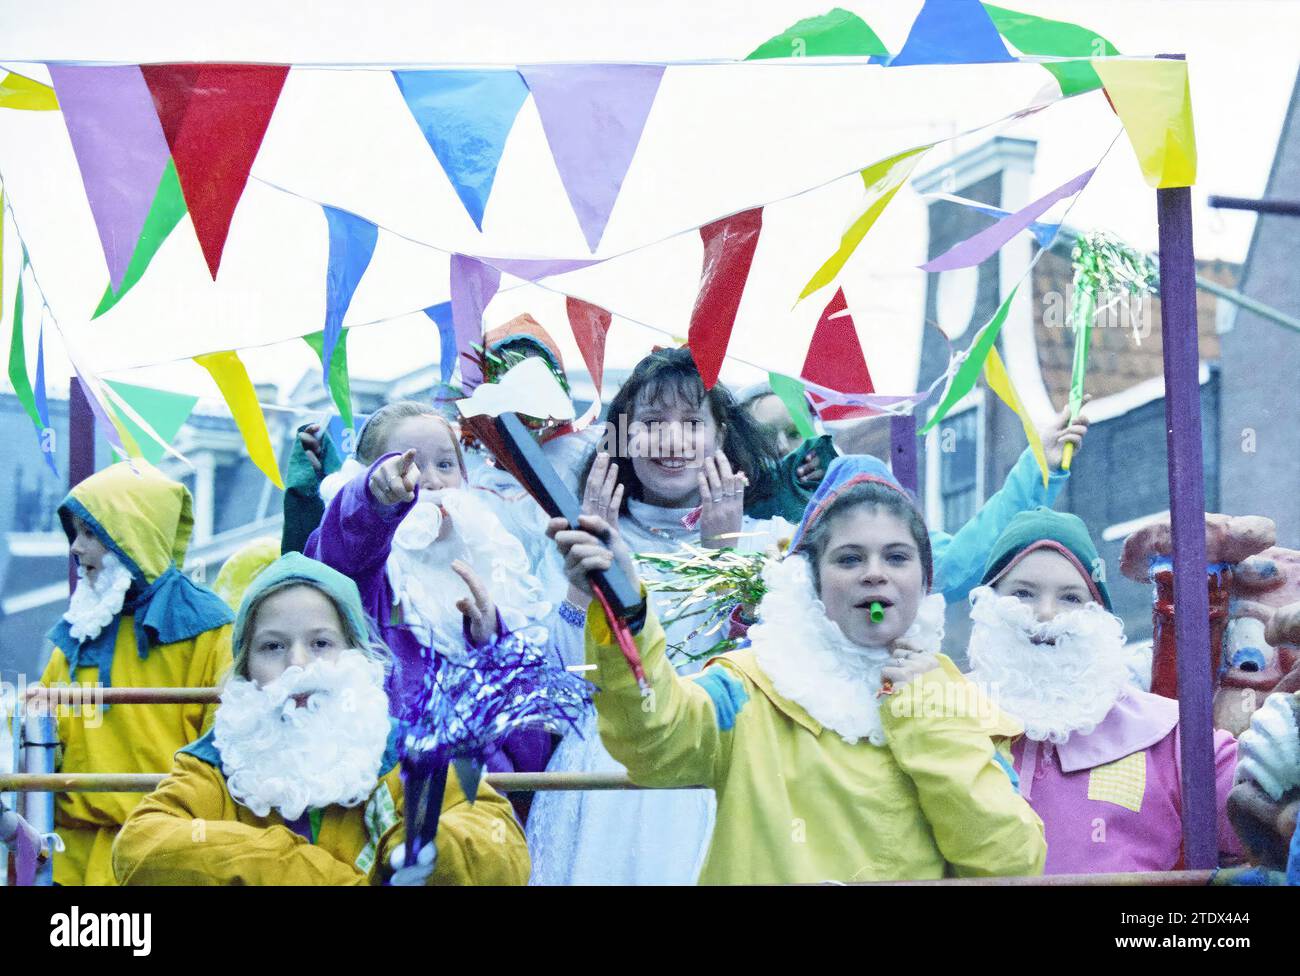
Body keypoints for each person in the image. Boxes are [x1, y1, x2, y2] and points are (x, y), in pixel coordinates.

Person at [548, 455, 1045, 884]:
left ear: (923, 579)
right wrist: (627, 608)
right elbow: (652, 742)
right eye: (849, 559)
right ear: (812, 580)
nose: (875, 572)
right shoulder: (751, 685)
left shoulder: (960, 704)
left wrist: (926, 713)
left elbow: (1009, 862)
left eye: (896, 557)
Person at [526, 347, 798, 884]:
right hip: (602, 786)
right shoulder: (571, 541)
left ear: (722, 437)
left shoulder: (772, 545)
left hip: (721, 773)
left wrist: (721, 559)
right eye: (652, 423)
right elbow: (563, 693)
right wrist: (586, 586)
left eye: (692, 423)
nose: (673, 441)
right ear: (622, 441)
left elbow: (767, 691)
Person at [112, 552, 528, 885]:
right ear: (245, 671)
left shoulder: (412, 752)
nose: (298, 665)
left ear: (358, 656)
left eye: (321, 643)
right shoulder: (217, 763)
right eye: (273, 647)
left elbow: (498, 845)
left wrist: (423, 848)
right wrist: (295, 867)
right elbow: (142, 847)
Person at [964, 508, 1242, 874]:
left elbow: (1260, 809)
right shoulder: (944, 717)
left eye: (1070, 598)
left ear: (1099, 617)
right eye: (1023, 593)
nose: (1046, 613)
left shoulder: (1168, 736)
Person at [305, 401, 554, 778]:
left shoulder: (492, 559)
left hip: (481, 800)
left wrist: (492, 639)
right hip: (386, 788)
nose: (434, 482)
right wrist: (377, 500)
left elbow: (532, 745)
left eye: (445, 464)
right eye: (412, 465)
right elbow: (349, 542)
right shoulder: (364, 561)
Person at [34, 461, 235, 885]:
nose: (75, 548)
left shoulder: (214, 631)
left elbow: (228, 748)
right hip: (73, 861)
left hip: (166, 857)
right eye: (75, 533)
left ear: (133, 536)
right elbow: (44, 739)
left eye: (90, 533)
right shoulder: (78, 630)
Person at [742, 383, 1093, 604]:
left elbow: (958, 564)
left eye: (795, 433)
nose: (785, 450)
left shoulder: (865, 515)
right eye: (765, 439)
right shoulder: (726, 527)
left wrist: (1039, 468)